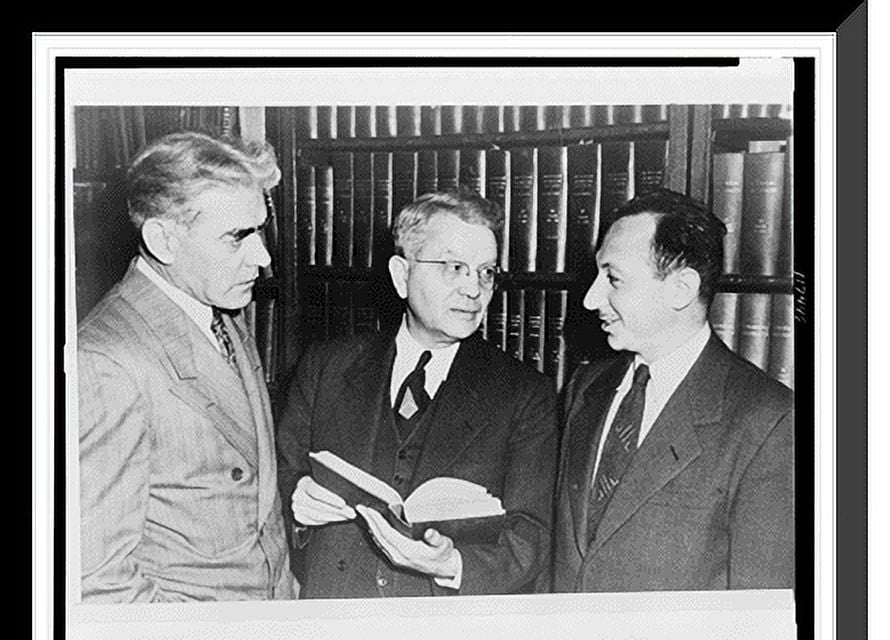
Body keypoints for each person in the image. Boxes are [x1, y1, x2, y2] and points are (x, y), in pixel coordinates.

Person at [277, 189, 557, 598]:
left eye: (486, 272)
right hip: (335, 617)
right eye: (454, 267)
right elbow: (278, 481)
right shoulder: (326, 367)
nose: (474, 289)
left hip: (441, 626)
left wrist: (453, 565)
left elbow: (532, 537)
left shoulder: (525, 394)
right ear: (401, 275)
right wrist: (297, 502)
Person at [78, 131, 296, 602]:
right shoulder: (105, 363)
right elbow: (99, 584)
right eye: (237, 237)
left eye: (260, 230)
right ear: (163, 240)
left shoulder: (220, 308)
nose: (263, 259)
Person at [553, 188, 794, 593]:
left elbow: (760, 610)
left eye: (613, 279)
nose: (592, 299)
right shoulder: (586, 386)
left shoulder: (768, 420)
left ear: (681, 288)